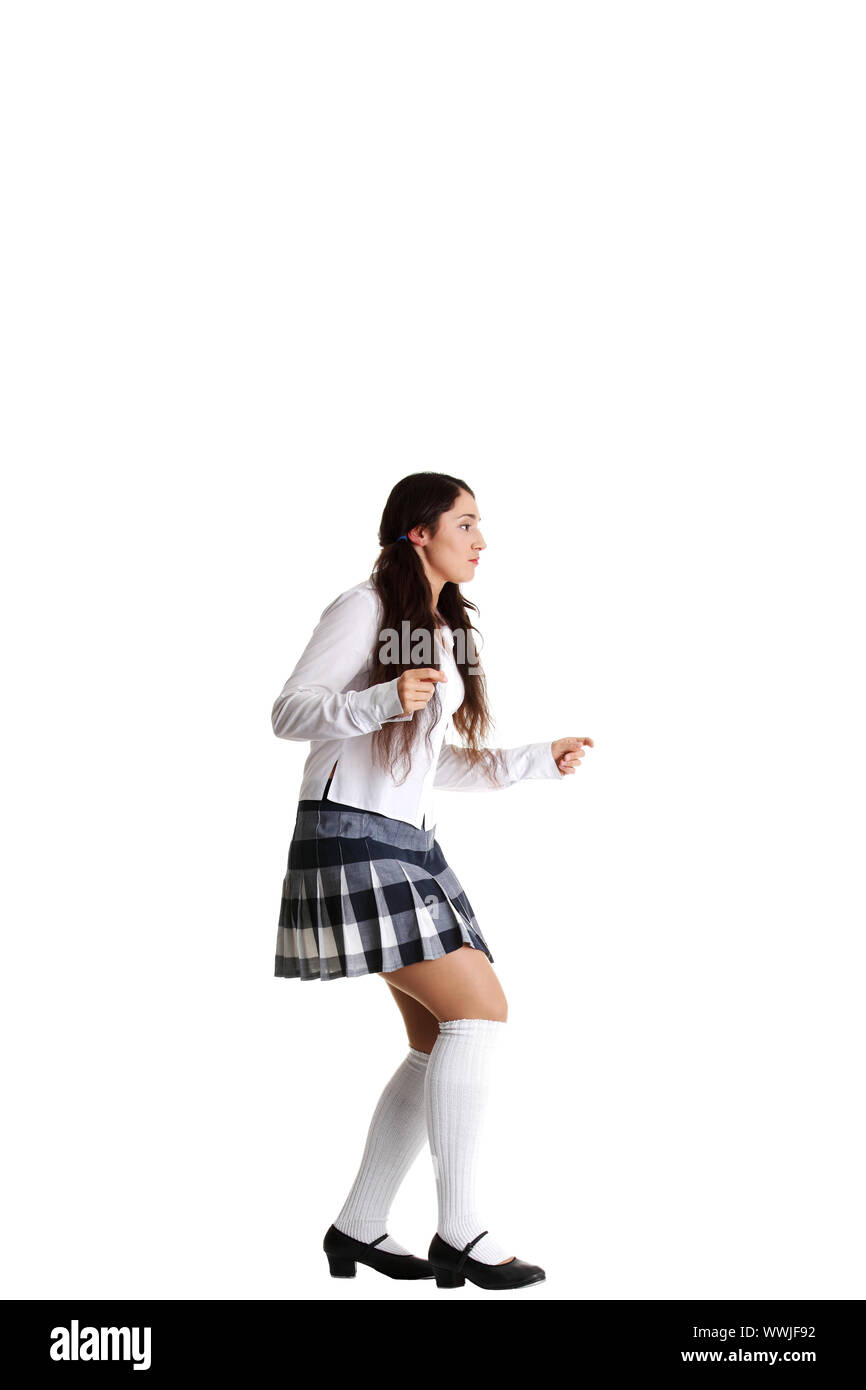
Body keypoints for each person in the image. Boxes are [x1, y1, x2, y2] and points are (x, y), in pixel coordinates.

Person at [271, 472, 593, 1290]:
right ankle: (462, 1233)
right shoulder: (365, 608)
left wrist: (533, 761)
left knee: (432, 1041)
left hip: (406, 843)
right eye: (466, 523)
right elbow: (289, 711)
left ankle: (359, 1228)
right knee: (479, 1009)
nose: (481, 540)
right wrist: (379, 700)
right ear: (419, 533)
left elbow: (425, 764)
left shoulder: (439, 633)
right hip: (351, 838)